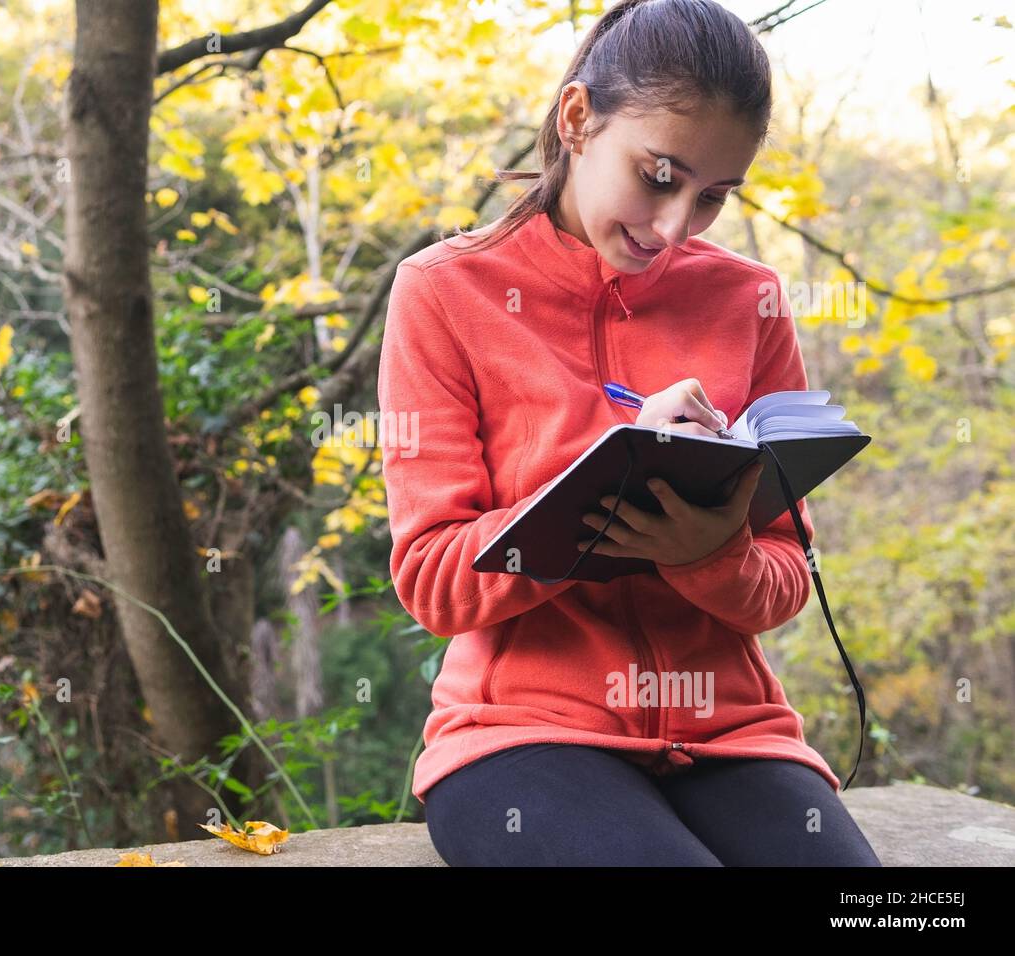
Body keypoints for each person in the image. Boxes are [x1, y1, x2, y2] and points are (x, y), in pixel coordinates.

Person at [376, 0, 881, 866]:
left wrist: (711, 555)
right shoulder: (444, 292)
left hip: (732, 735)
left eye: (714, 196)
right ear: (578, 120)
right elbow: (433, 583)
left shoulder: (748, 300)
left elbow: (788, 578)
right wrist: (599, 484)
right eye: (659, 176)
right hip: (519, 738)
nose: (677, 226)